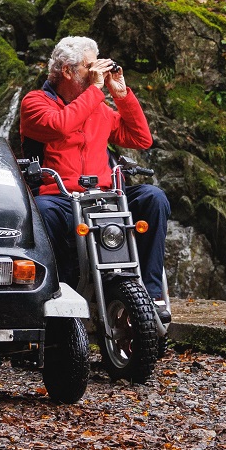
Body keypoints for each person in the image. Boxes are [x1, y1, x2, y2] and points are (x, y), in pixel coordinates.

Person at [20, 36, 171, 322]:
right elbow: (61, 126)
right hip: (59, 197)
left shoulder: (98, 107)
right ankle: (56, 297)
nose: (97, 72)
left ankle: (151, 294)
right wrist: (97, 89)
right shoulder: (35, 102)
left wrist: (122, 94)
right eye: (90, 66)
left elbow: (140, 138)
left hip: (103, 196)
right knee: (43, 213)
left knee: (154, 198)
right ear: (67, 71)